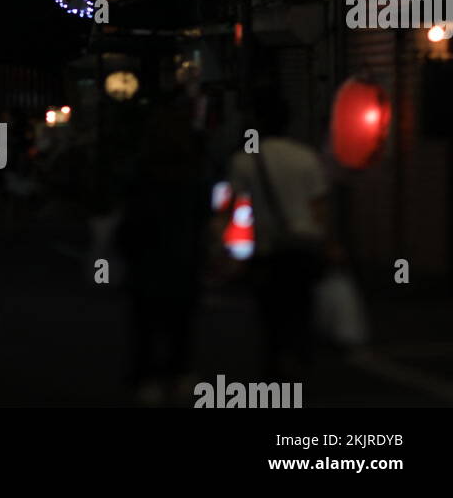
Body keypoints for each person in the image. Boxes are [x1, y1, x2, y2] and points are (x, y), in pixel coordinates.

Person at [229, 90, 334, 379]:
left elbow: (236, 210)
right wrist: (326, 242)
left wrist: (231, 253)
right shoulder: (306, 158)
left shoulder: (243, 161)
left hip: (267, 247)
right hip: (303, 244)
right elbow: (320, 208)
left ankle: (273, 365)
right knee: (301, 304)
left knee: (268, 310)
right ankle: (301, 357)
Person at [120, 82, 210, 405]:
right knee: (181, 322)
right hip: (183, 258)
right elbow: (203, 218)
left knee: (145, 323)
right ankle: (179, 373)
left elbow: (129, 219)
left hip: (146, 259)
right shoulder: (193, 175)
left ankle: (147, 379)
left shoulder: (141, 173)